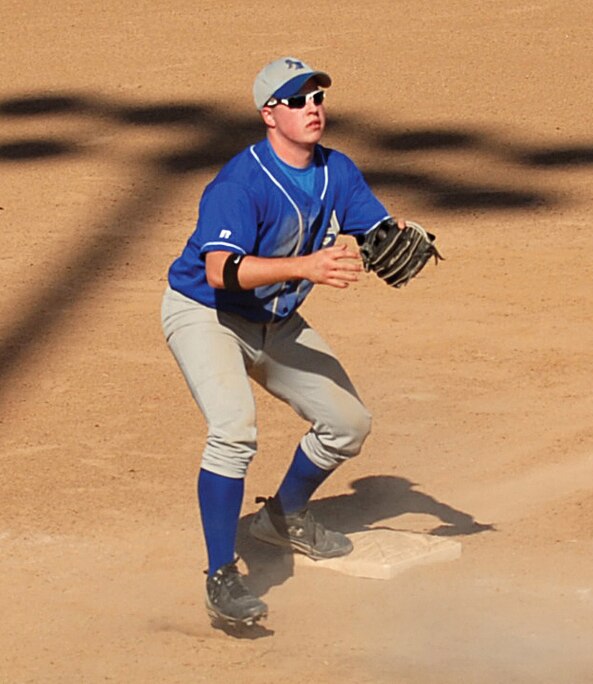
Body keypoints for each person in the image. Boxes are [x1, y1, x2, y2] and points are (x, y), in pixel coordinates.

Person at [161, 57, 425, 628]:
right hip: (208, 315)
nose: (313, 108)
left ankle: (283, 517)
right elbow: (220, 272)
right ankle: (221, 576)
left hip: (275, 322)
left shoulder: (337, 170)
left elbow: (372, 228)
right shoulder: (241, 182)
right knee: (234, 430)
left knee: (348, 423)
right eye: (298, 100)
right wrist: (307, 265)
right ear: (268, 114)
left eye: (318, 98)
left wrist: (392, 234)